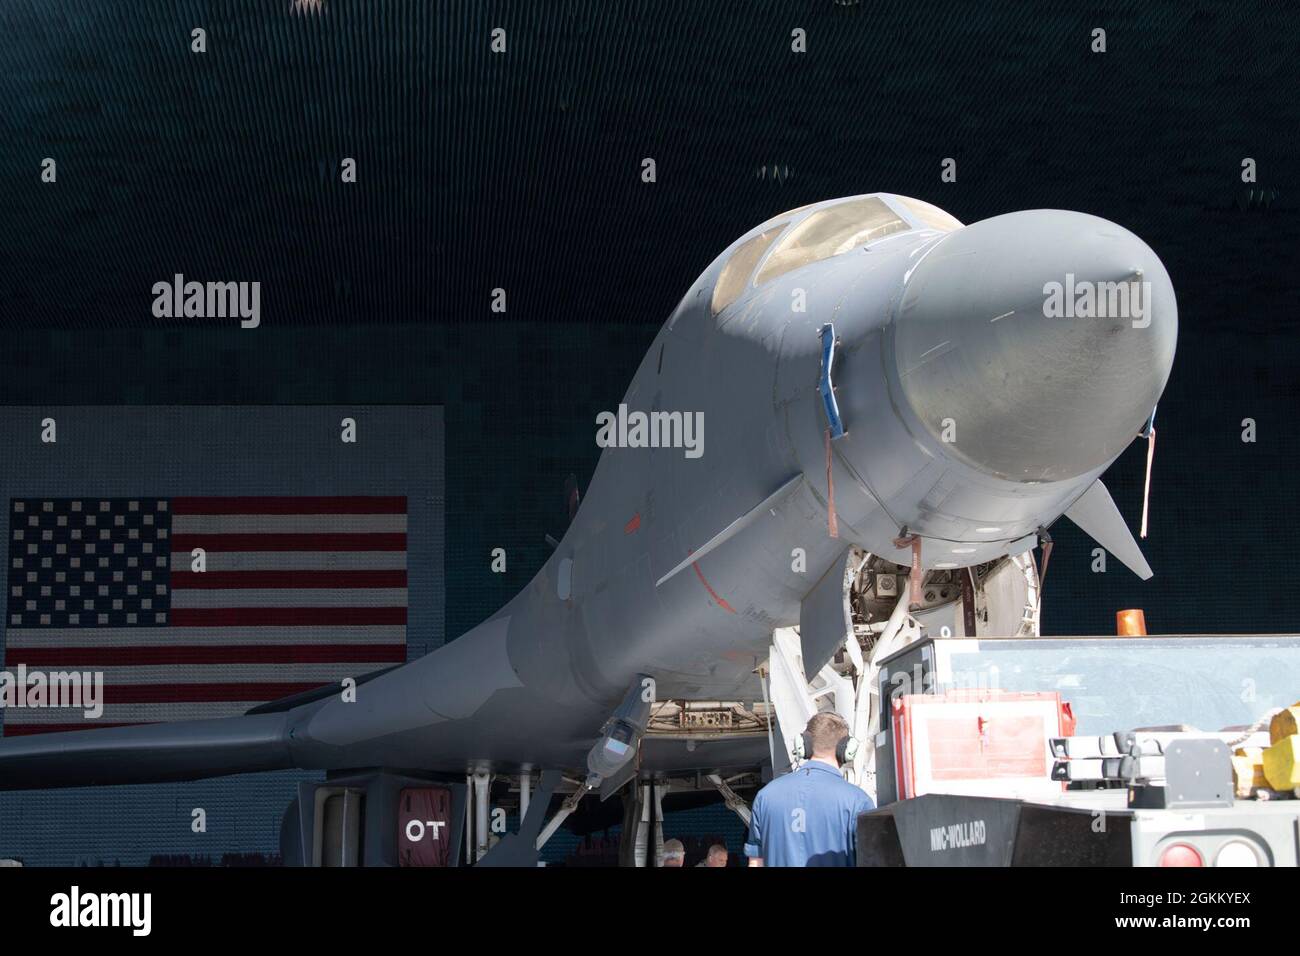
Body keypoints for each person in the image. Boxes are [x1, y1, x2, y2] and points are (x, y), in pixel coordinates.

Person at [744, 712, 874, 867]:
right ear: (846, 749)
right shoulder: (858, 801)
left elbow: (756, 862)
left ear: (803, 745)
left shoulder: (765, 797)